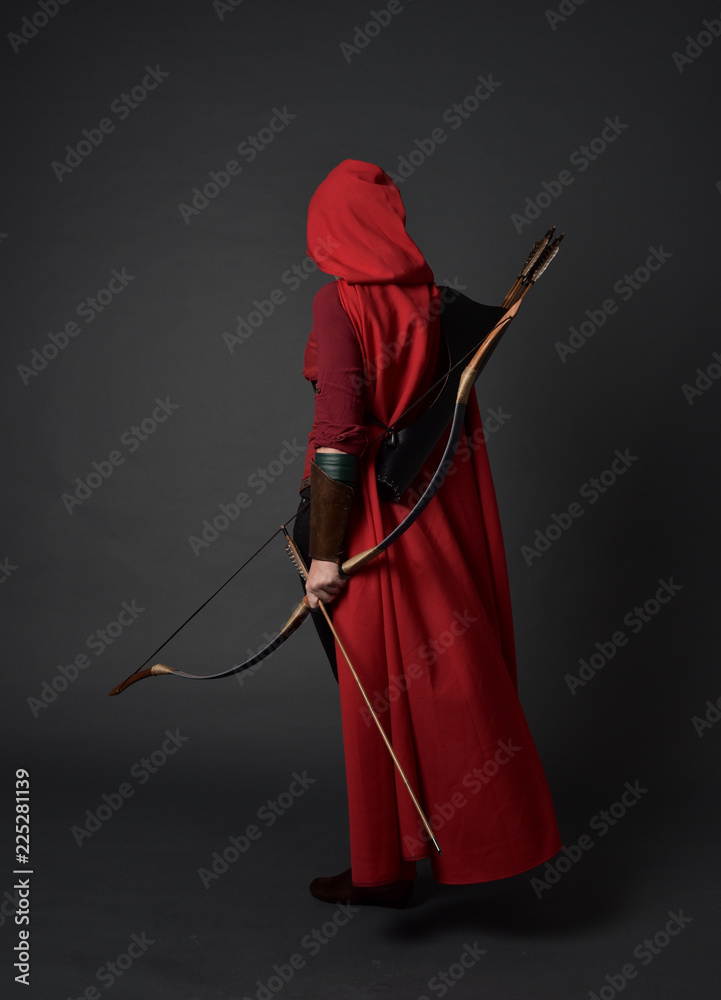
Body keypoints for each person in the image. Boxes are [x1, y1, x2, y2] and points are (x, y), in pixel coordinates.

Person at [293, 160, 561, 907]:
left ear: (330, 229)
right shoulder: (436, 301)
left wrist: (323, 555)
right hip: (430, 515)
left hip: (374, 519)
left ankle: (385, 869)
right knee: (422, 682)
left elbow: (340, 431)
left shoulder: (337, 302)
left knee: (376, 692)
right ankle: (394, 860)